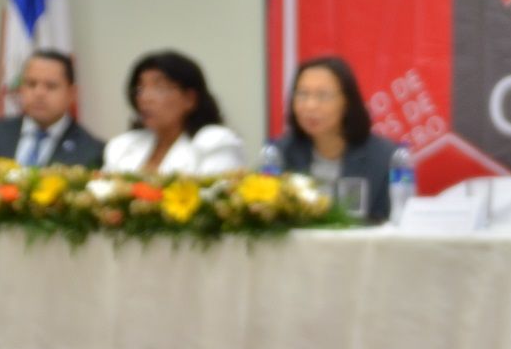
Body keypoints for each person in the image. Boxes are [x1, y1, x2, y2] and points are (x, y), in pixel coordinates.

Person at [270, 56, 393, 221]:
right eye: (302, 94)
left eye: (323, 96)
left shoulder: (384, 158)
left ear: (347, 101)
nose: (310, 105)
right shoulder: (280, 154)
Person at [0, 49, 104, 176]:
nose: (39, 93)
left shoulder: (92, 151)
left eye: (51, 86)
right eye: (31, 84)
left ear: (72, 94)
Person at [103, 50, 244, 176]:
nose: (145, 98)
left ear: (190, 99)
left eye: (160, 87)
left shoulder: (215, 142)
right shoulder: (122, 146)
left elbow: (214, 198)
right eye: (140, 89)